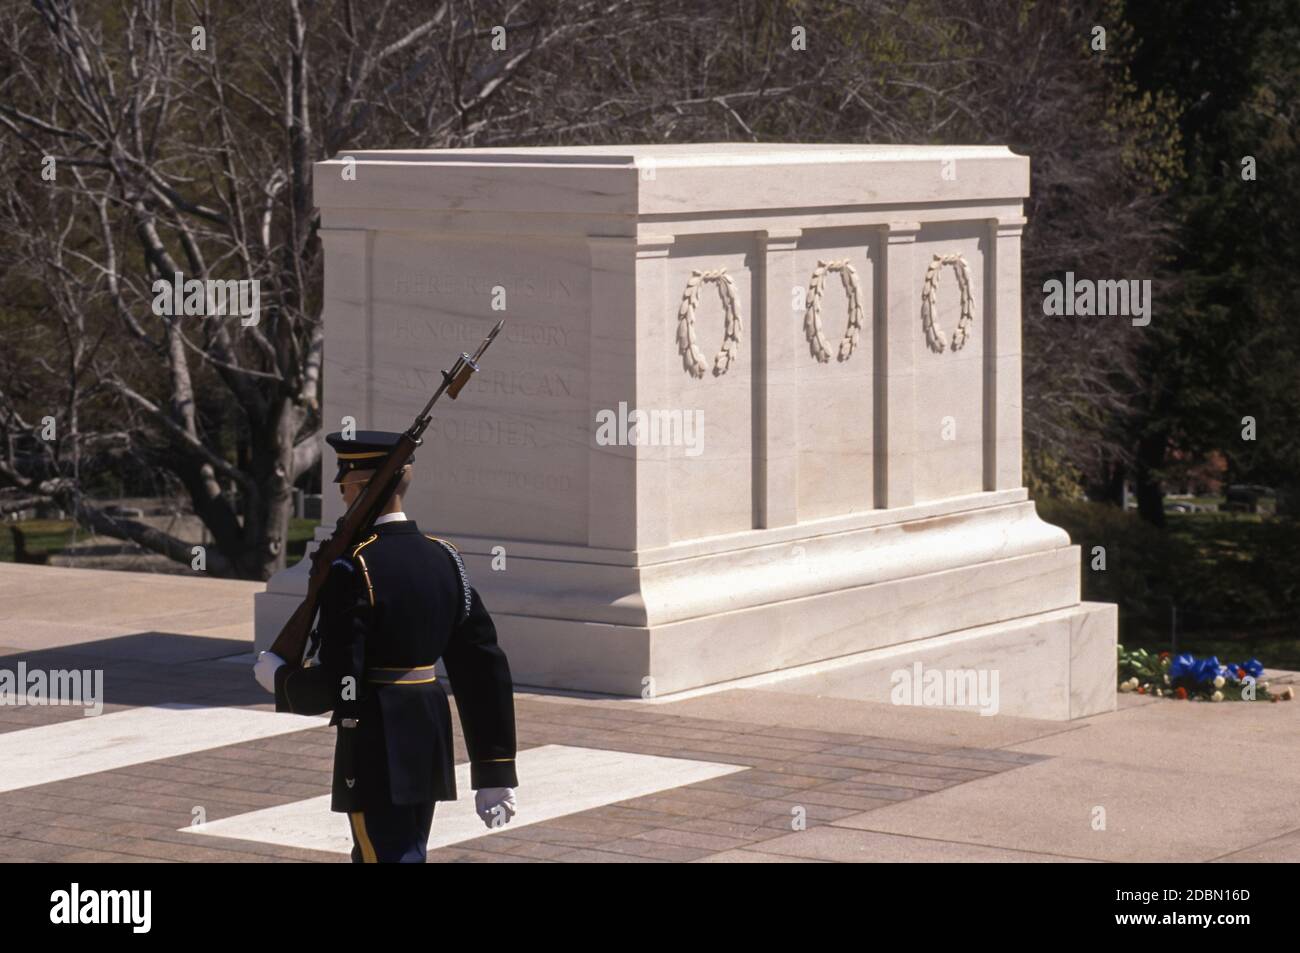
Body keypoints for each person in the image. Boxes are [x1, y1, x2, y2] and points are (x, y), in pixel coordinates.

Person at [253, 430, 518, 862]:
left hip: (375, 738)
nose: (343, 498)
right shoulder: (445, 557)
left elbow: (343, 679)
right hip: (429, 729)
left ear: (360, 487)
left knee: (388, 856)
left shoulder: (353, 566)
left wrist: (283, 682)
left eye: (344, 488)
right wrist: (495, 767)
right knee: (400, 849)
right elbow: (482, 666)